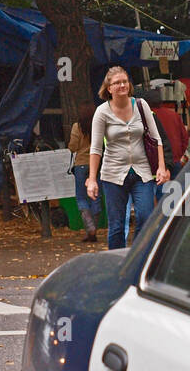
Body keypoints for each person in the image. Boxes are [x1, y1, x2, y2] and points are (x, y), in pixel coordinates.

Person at [86, 66, 169, 249]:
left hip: (142, 172)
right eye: (117, 83)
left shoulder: (141, 105)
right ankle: (117, 264)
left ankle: (137, 259)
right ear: (109, 88)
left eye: (124, 81)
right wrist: (92, 179)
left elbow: (156, 138)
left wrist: (161, 167)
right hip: (113, 174)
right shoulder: (102, 112)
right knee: (116, 225)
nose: (122, 85)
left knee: (146, 217)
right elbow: (96, 148)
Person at [67, 102, 101, 243]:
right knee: (96, 197)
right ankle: (93, 230)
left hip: (81, 165)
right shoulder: (99, 125)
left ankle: (90, 228)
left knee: (82, 198)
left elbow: (73, 147)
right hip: (97, 164)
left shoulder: (77, 127)